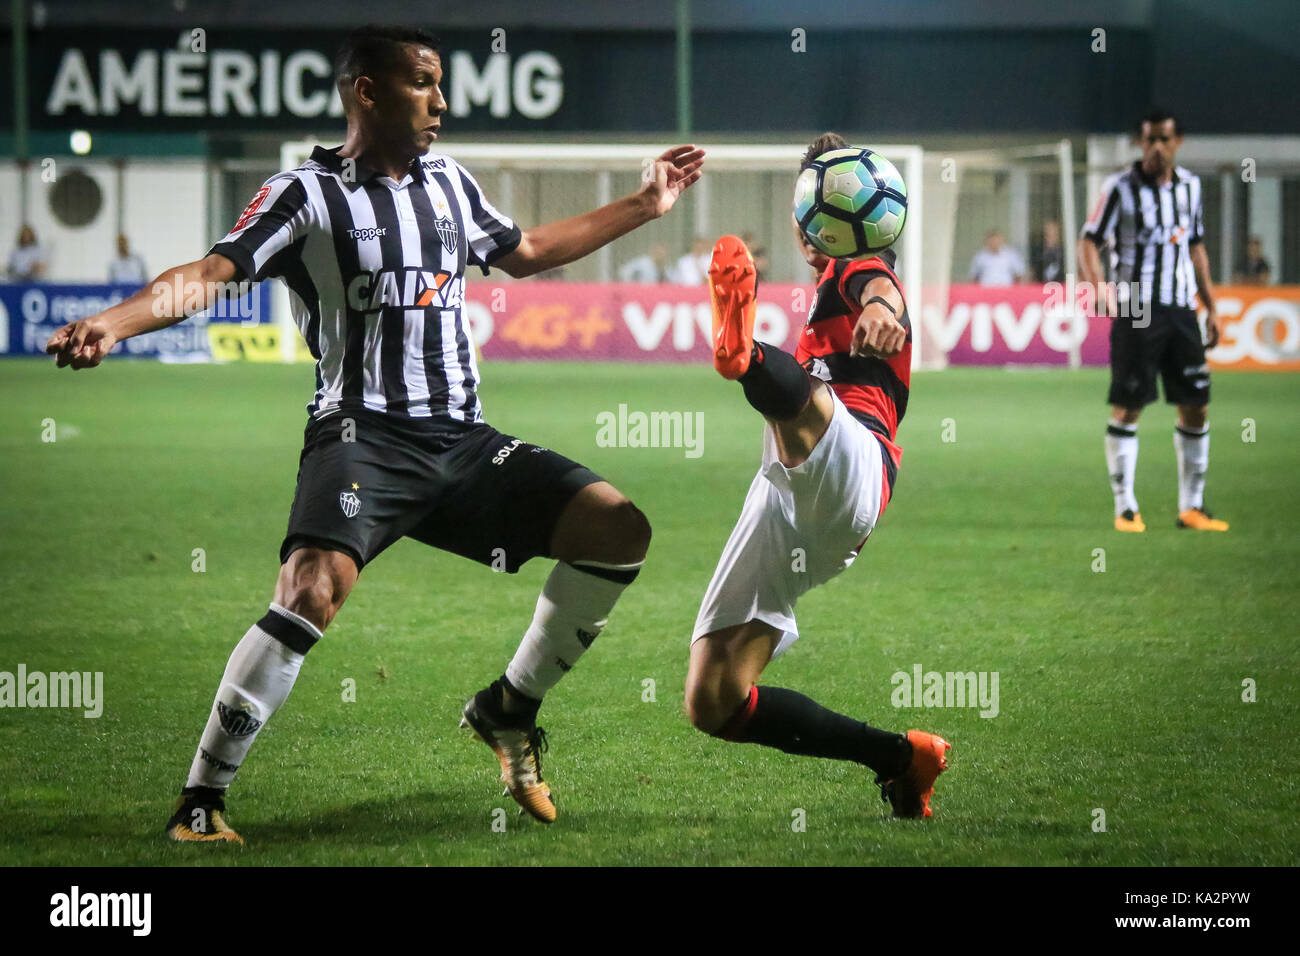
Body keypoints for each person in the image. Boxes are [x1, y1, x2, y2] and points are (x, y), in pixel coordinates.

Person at [45, 24, 704, 842]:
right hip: (360, 436)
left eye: (441, 85)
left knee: (617, 530)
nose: (441, 102)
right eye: (423, 83)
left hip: (463, 442)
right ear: (367, 91)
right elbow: (213, 273)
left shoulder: (450, 185)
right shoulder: (305, 192)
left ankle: (508, 709)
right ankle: (201, 800)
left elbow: (527, 250)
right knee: (311, 590)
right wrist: (113, 323)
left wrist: (646, 204)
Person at [684, 133, 950, 820]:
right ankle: (899, 757)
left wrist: (883, 312)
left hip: (857, 457)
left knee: (803, 408)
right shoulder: (831, 290)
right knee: (713, 702)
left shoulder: (855, 270)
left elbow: (876, 284)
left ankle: (745, 358)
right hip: (789, 503)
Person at [1079, 107, 1226, 534]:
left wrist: (1211, 306)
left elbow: (1196, 248)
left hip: (1182, 309)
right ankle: (1126, 508)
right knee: (1129, 406)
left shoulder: (1191, 188)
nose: (1157, 147)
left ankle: (1191, 508)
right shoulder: (1119, 188)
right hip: (1136, 308)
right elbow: (1088, 242)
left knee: (1196, 406)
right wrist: (1099, 285)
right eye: (1150, 140)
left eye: (1165, 139)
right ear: (1140, 144)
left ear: (1178, 142)